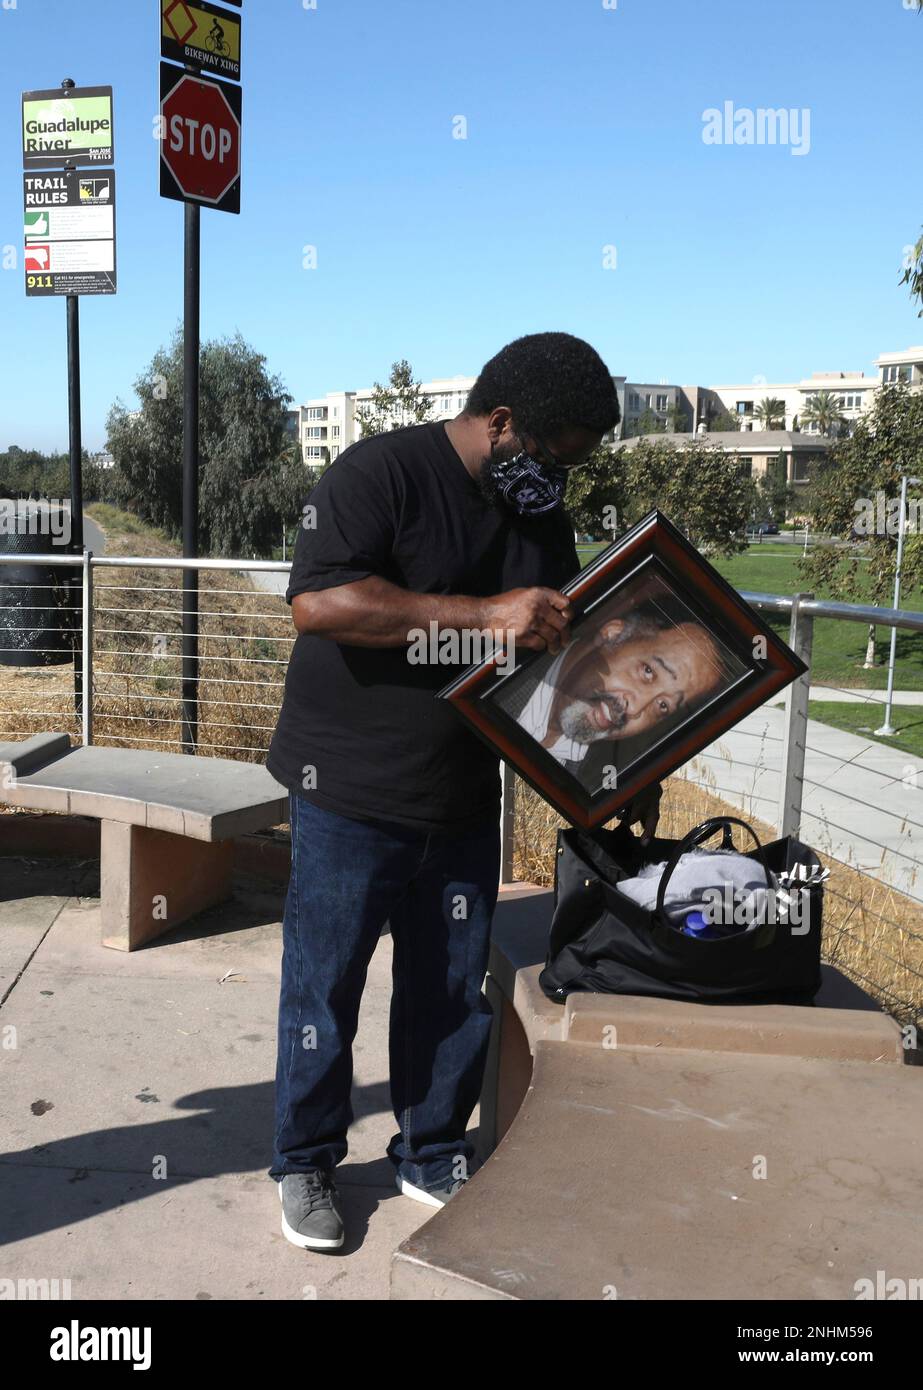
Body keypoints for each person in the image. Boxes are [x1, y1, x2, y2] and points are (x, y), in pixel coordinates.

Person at [265, 332, 661, 1251]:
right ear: (504, 420)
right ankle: (305, 1161)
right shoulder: (381, 472)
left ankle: (430, 1148)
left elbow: (559, 661)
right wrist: (484, 616)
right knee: (322, 988)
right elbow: (318, 603)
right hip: (346, 792)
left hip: (460, 795)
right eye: (564, 448)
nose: (570, 471)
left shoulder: (537, 519)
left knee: (449, 992)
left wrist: (622, 770)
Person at [512, 604, 725, 775]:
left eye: (663, 705)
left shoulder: (598, 781)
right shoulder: (502, 669)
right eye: (648, 672)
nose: (635, 708)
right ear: (612, 635)